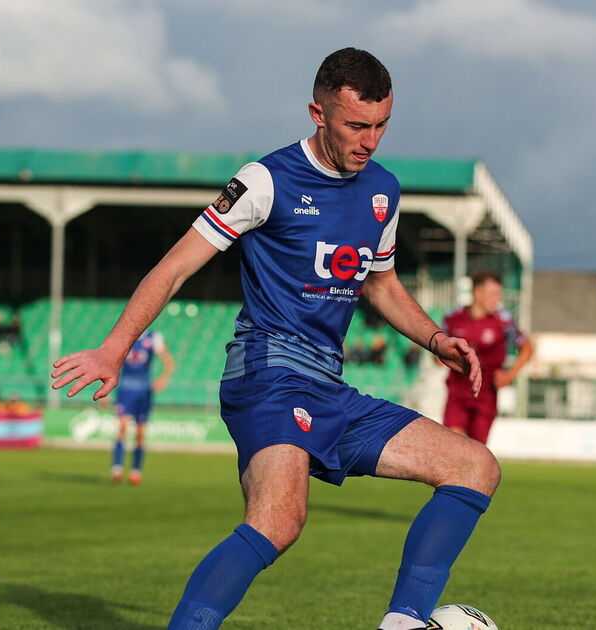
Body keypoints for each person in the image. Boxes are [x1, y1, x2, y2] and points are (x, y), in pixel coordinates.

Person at [52, 48, 499, 630]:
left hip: (328, 383)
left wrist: (436, 339)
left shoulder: (383, 190)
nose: (369, 141)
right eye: (356, 125)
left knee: (475, 466)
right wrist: (114, 348)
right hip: (268, 370)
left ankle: (405, 622)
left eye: (381, 125)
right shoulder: (265, 180)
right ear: (318, 113)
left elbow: (382, 284)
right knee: (278, 521)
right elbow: (175, 267)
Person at [440, 271, 533, 444]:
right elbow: (439, 350)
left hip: (486, 395)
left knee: (476, 450)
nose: (497, 299)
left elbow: (527, 348)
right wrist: (439, 357)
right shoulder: (453, 318)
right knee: (453, 445)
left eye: (498, 294)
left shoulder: (503, 321)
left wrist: (509, 376)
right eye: (493, 294)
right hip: (457, 393)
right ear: (477, 293)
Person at [110, 330, 174, 485]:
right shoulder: (124, 335)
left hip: (144, 390)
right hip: (125, 389)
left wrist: (164, 379)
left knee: (140, 432)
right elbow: (111, 361)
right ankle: (117, 469)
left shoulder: (154, 337)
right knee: (122, 427)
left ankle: (135, 471)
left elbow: (167, 360)